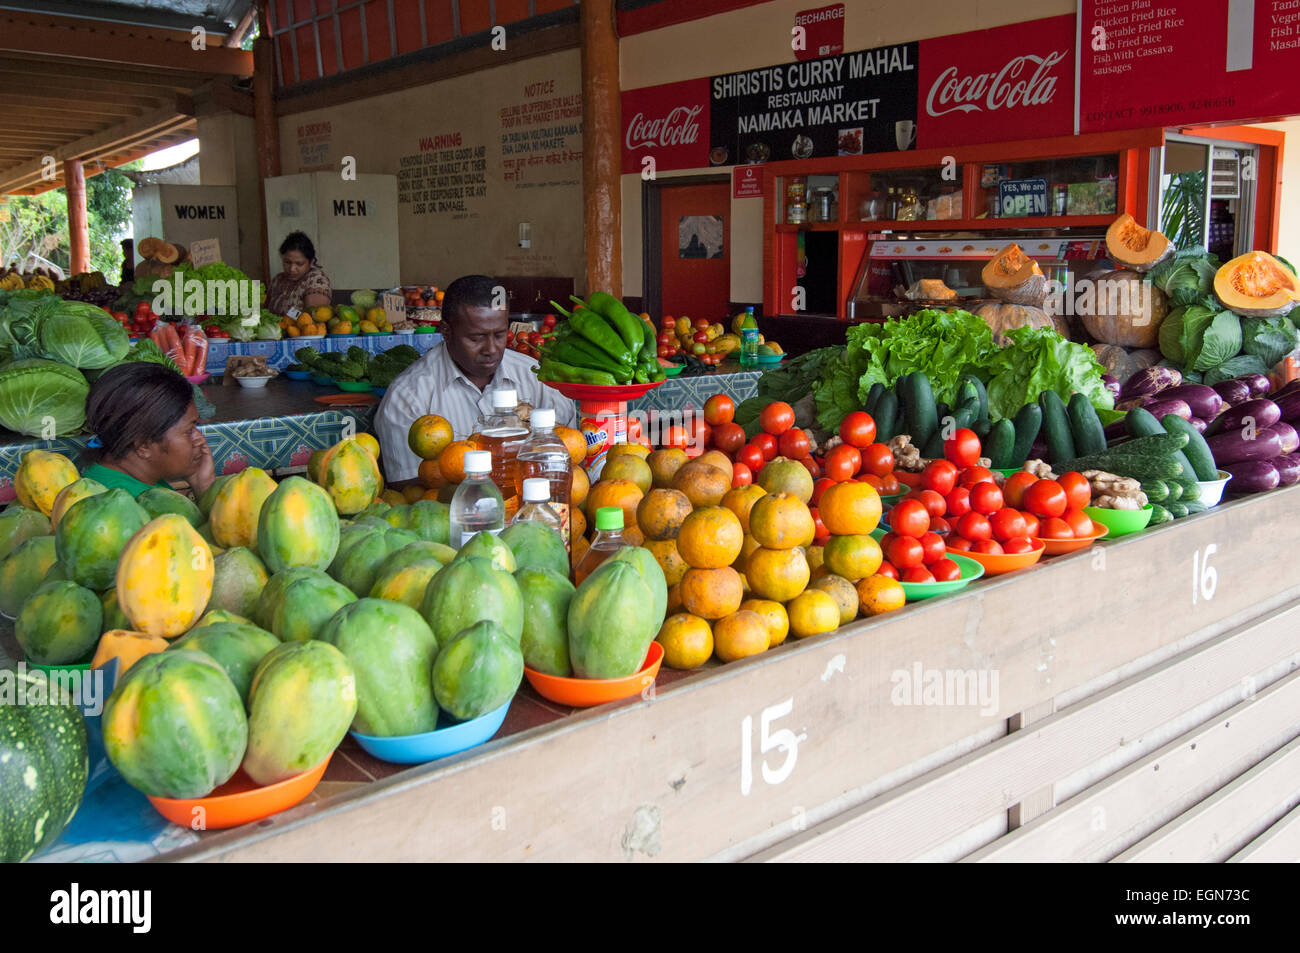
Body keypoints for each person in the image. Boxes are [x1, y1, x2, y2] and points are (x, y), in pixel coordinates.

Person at [374, 274, 577, 482]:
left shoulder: (536, 377)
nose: (491, 349)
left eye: (499, 335)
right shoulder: (407, 397)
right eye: (476, 338)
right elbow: (412, 489)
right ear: (446, 331)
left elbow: (571, 457)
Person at [81, 362, 216, 499]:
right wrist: (206, 491)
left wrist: (202, 484)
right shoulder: (133, 505)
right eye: (189, 430)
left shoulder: (108, 475)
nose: (200, 439)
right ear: (143, 445)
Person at [265, 231, 332, 315]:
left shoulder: (316, 280)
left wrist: (285, 319)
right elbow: (264, 310)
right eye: (287, 262)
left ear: (311, 262)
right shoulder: (278, 279)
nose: (292, 269)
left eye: (299, 264)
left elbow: (312, 319)